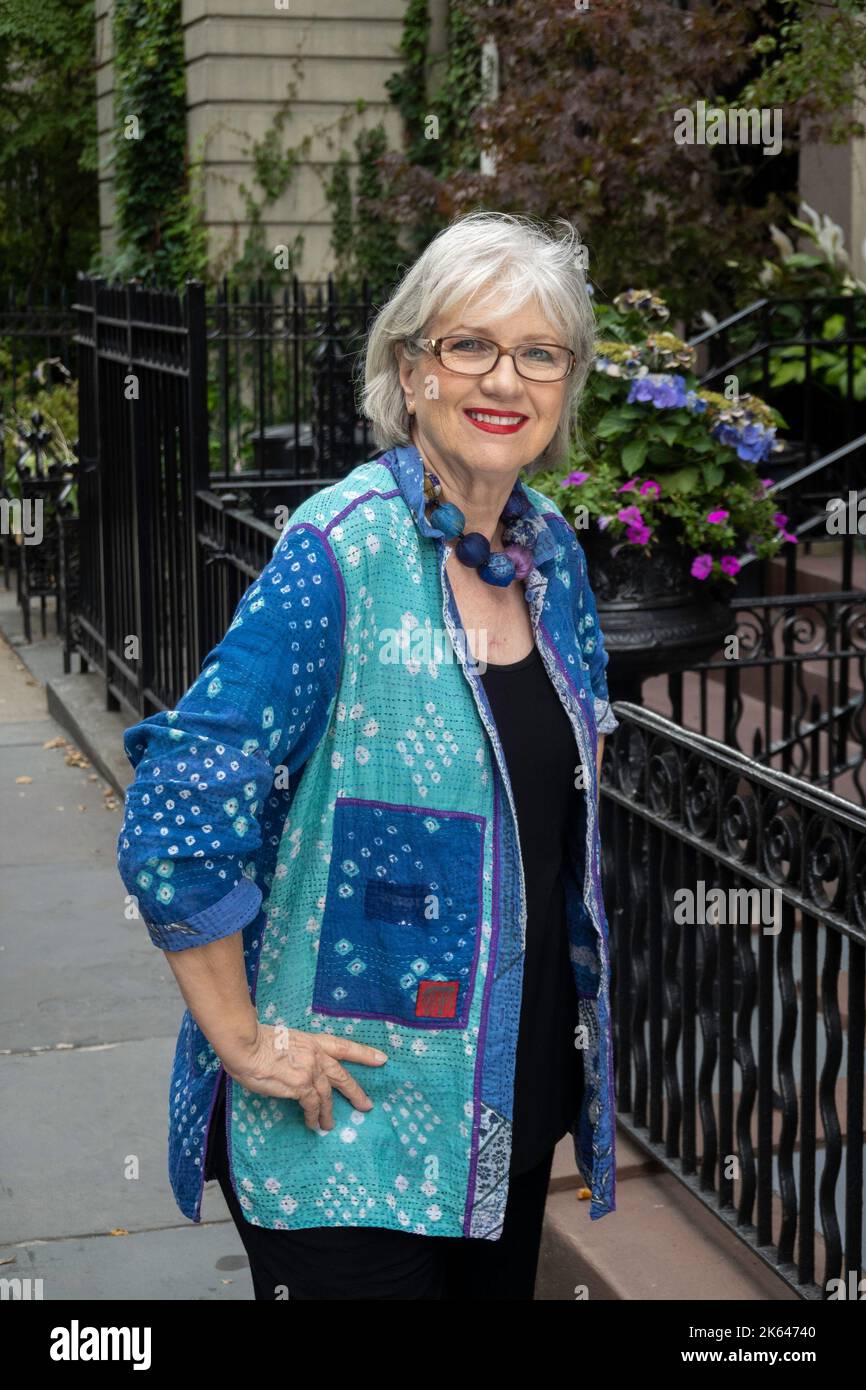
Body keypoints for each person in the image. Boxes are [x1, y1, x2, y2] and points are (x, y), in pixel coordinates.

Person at [116, 210, 618, 1300]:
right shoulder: (337, 555)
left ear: (564, 385)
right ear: (411, 369)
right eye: (468, 344)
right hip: (340, 1132)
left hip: (502, 1114)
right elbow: (177, 809)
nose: (505, 377)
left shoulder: (549, 560)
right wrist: (245, 1043)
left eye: (539, 353)